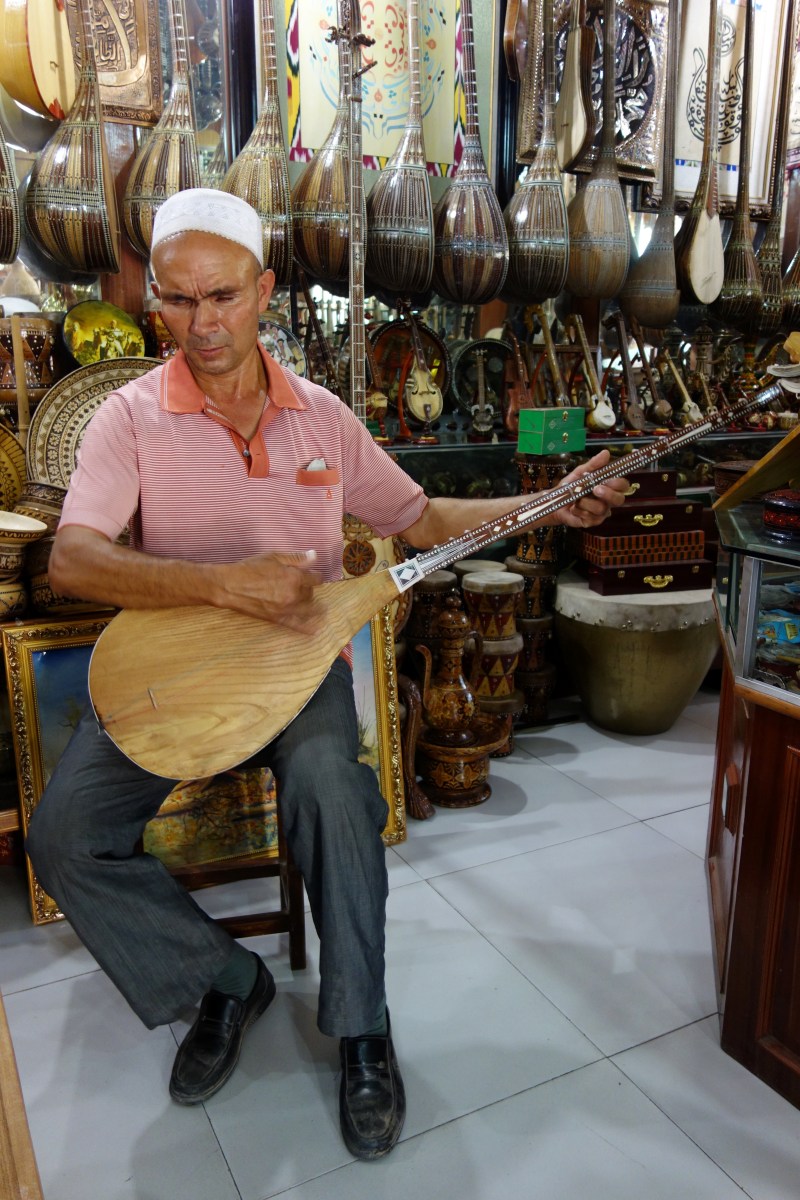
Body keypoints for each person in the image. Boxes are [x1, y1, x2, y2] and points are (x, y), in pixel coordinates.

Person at [26, 189, 628, 1162]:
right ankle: (221, 981)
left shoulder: (321, 419)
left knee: (333, 793)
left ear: (262, 291)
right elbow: (75, 560)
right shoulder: (129, 418)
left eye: (220, 295)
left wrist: (550, 501)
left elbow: (417, 518)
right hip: (175, 674)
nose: (200, 322)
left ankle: (360, 1031)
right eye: (176, 301)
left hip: (299, 667)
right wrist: (221, 586)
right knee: (64, 837)